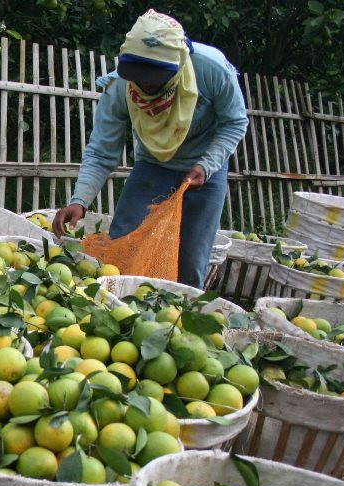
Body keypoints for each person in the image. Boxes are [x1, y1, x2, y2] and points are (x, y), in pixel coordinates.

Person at [53, 9, 248, 288]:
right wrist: (79, 200)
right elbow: (101, 151)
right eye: (139, 77)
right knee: (122, 245)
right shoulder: (120, 87)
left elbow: (235, 122)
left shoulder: (211, 69)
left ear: (177, 65)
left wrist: (207, 165)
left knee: (191, 261)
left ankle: (180, 312)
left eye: (153, 78)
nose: (144, 83)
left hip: (204, 169)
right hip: (153, 164)